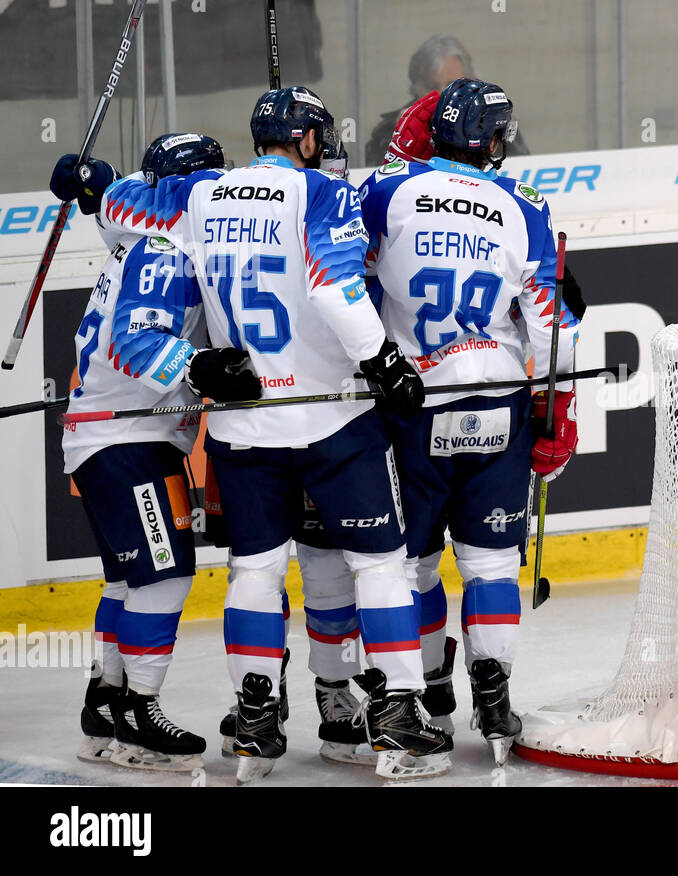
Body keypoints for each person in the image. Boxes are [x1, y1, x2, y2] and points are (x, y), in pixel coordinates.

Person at [70, 85, 452, 783]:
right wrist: (385, 360)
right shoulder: (322, 193)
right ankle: (396, 713)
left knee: (256, 570)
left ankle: (253, 722)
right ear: (308, 138)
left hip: (243, 426)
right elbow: (338, 289)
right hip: (331, 417)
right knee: (376, 565)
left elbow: (131, 207)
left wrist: (96, 186)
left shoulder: (203, 194)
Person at [357, 78, 580, 765]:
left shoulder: (387, 192)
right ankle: (494, 698)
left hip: (414, 407)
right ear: (493, 141)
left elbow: (343, 280)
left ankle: (425, 694)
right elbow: (553, 330)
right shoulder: (525, 208)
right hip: (498, 403)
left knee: (413, 566)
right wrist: (556, 413)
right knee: (489, 565)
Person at [53, 132, 226, 772]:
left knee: (128, 579)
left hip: (104, 435)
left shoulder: (143, 230)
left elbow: (118, 202)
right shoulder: (168, 253)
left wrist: (94, 185)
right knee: (166, 573)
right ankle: (137, 718)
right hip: (130, 436)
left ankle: (104, 705)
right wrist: (206, 369)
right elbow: (136, 346)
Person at [365, 35, 530, 164]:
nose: (444, 96)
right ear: (416, 87)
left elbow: (520, 169)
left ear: (472, 80)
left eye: (453, 85)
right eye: (431, 85)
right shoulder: (390, 130)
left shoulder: (495, 121)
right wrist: (400, 142)